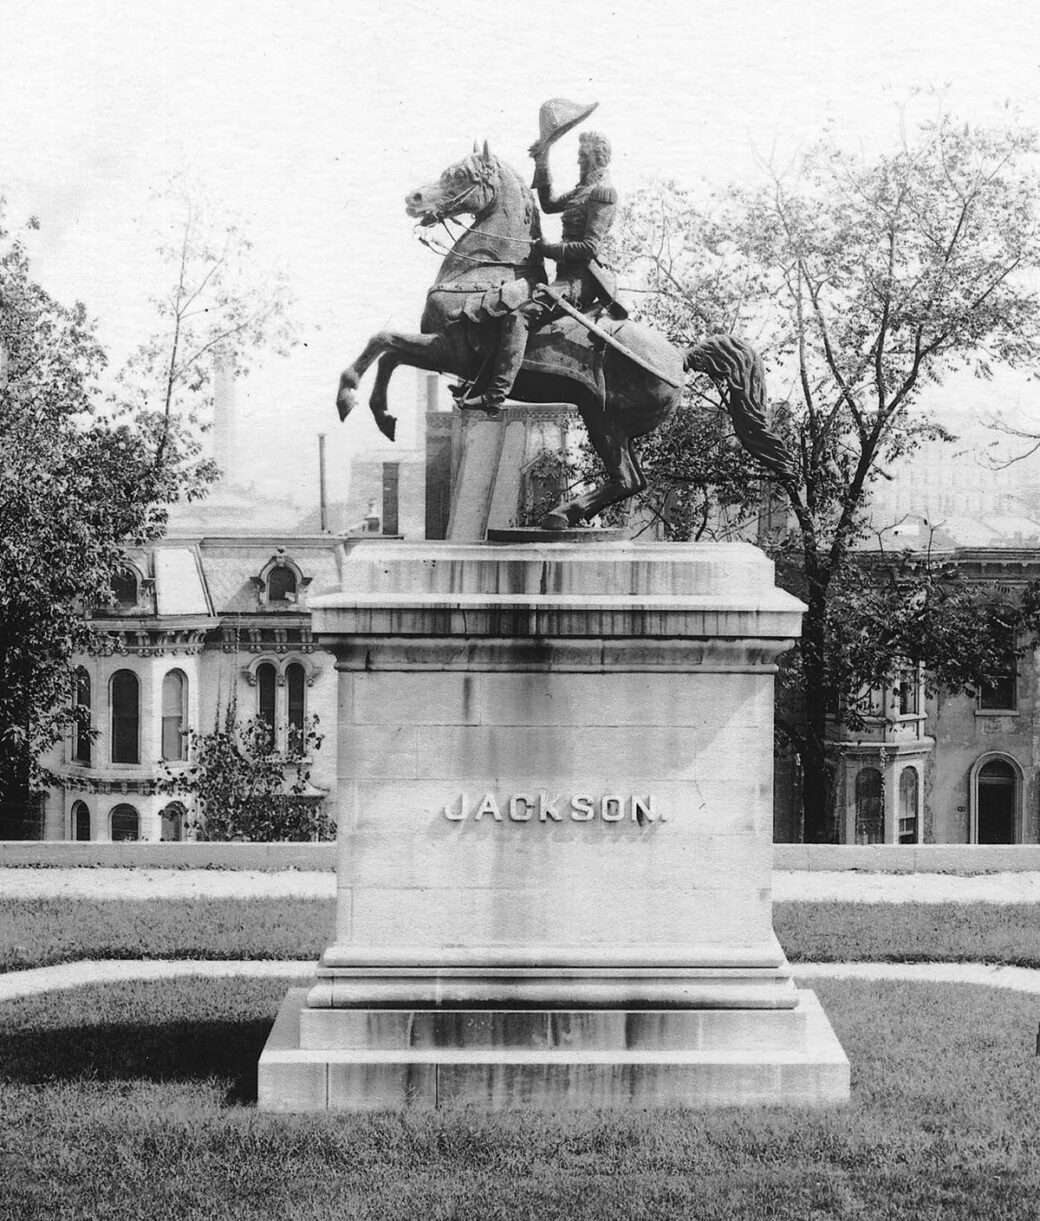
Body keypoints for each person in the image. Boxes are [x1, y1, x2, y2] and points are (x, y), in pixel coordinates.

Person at [461, 131, 619, 414]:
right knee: (504, 303)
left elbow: (590, 247)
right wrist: (542, 160)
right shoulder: (584, 189)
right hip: (565, 276)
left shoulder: (602, 192)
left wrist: (548, 250)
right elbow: (548, 204)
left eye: (584, 156)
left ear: (598, 157)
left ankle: (495, 396)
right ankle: (477, 379)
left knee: (519, 316)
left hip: (582, 280)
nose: (580, 160)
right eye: (580, 155)